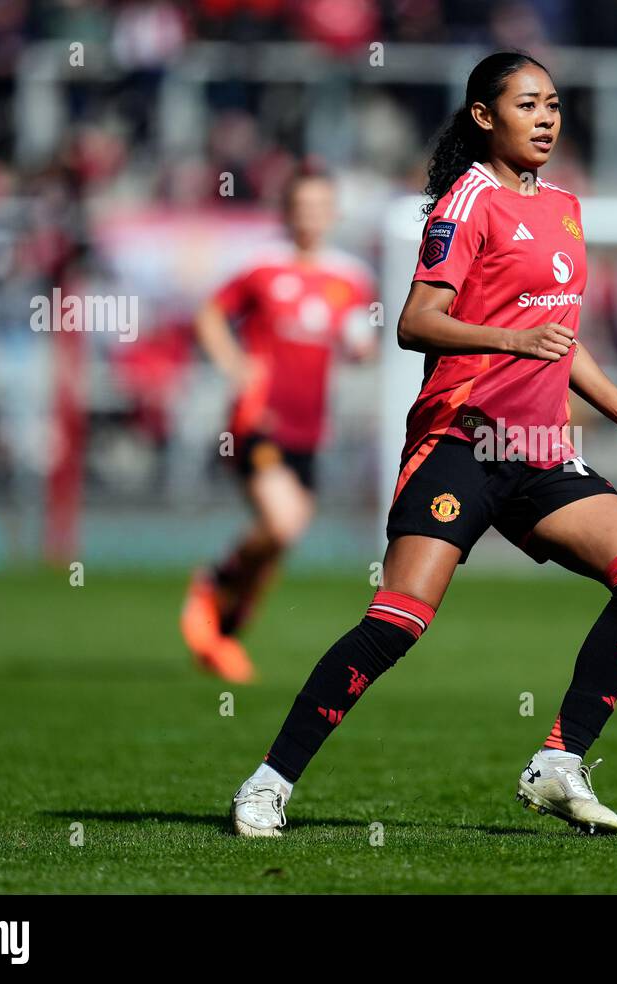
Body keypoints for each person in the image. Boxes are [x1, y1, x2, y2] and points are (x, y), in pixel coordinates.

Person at [229, 51, 617, 837]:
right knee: (397, 621)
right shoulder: (465, 204)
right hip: (461, 442)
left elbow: (561, 340)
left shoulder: (566, 207)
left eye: (553, 104)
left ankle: (559, 763)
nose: (546, 118)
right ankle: (267, 784)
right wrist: (510, 338)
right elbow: (415, 323)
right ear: (484, 117)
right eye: (527, 104)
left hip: (540, 450)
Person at [180, 162, 376, 683]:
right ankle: (213, 582)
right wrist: (235, 365)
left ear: (332, 213)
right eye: (300, 206)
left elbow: (362, 343)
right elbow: (209, 315)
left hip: (310, 429)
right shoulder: (263, 267)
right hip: (258, 419)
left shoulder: (350, 279)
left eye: (319, 206)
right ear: (286, 211)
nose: (309, 216)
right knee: (283, 521)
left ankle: (225, 631)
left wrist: (364, 346)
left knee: (280, 541)